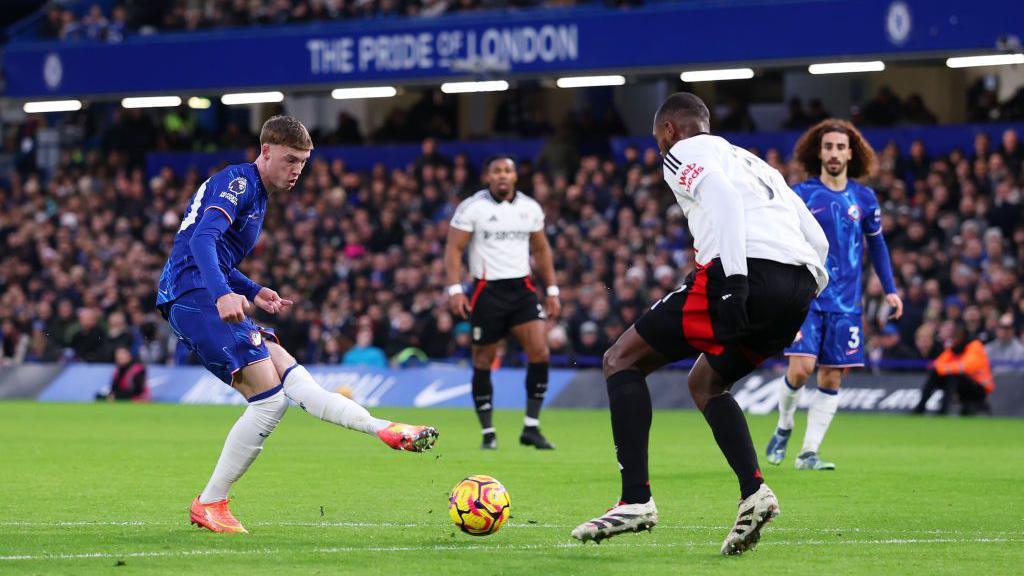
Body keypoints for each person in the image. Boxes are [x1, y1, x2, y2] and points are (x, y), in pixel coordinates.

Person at [571, 93, 829, 555]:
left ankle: (635, 500)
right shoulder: (752, 161)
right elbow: (816, 236)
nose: (658, 149)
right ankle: (754, 492)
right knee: (706, 383)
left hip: (744, 270)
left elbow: (724, 201)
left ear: (670, 129)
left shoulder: (683, 152)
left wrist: (734, 283)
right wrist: (803, 296)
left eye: (657, 140)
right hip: (798, 285)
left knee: (620, 359)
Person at [156, 115, 438, 534]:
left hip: (200, 290)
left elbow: (218, 256)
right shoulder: (238, 183)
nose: (296, 171)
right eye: (289, 160)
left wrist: (252, 290)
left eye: (302, 164)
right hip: (192, 294)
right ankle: (211, 502)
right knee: (269, 401)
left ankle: (384, 428)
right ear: (265, 150)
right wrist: (221, 294)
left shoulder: (259, 195)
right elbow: (201, 242)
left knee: (294, 380)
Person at [765, 119, 903, 471]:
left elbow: (878, 245)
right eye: (828, 147)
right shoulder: (802, 194)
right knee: (801, 369)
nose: (834, 153)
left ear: (851, 153)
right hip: (807, 296)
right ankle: (784, 425)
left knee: (831, 377)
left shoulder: (864, 198)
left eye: (840, 147)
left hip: (846, 304)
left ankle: (808, 452)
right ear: (819, 152)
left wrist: (890, 290)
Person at [444, 155, 561, 450]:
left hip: (522, 289)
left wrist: (552, 291)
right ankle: (488, 433)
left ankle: (531, 428)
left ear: (515, 176)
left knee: (540, 352)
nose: (502, 176)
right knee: (483, 360)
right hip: (487, 291)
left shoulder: (529, 209)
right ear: (488, 176)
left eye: (507, 170)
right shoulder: (473, 207)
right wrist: (456, 289)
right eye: (496, 171)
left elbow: (542, 250)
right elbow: (454, 250)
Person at [914, 323, 994, 415]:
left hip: (979, 389)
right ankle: (920, 409)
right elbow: (937, 365)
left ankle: (943, 412)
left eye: (957, 336)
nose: (954, 339)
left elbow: (967, 367)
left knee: (952, 376)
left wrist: (946, 368)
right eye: (953, 336)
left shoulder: (975, 346)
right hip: (961, 385)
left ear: (963, 336)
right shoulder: (954, 349)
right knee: (935, 374)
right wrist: (943, 368)